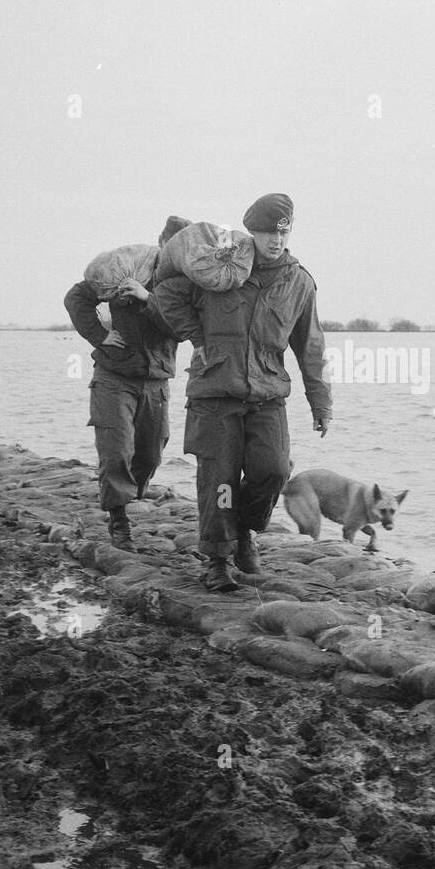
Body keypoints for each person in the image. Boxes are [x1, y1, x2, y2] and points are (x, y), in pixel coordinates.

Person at [148, 193, 331, 592]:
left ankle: (245, 531)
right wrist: (195, 336)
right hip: (215, 393)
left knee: (274, 470)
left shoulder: (299, 282)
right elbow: (165, 295)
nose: (276, 241)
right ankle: (216, 561)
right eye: (267, 233)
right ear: (252, 231)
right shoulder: (222, 267)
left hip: (267, 395)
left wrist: (321, 403)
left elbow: (310, 346)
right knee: (220, 480)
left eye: (283, 233)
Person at [63, 220, 189, 550]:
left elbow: (182, 330)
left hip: (156, 382)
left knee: (150, 456)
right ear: (162, 242)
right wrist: (100, 336)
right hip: (114, 377)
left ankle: (124, 498)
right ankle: (119, 521)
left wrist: (148, 298)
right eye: (171, 245)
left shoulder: (187, 285)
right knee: (116, 449)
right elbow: (76, 297)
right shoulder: (125, 270)